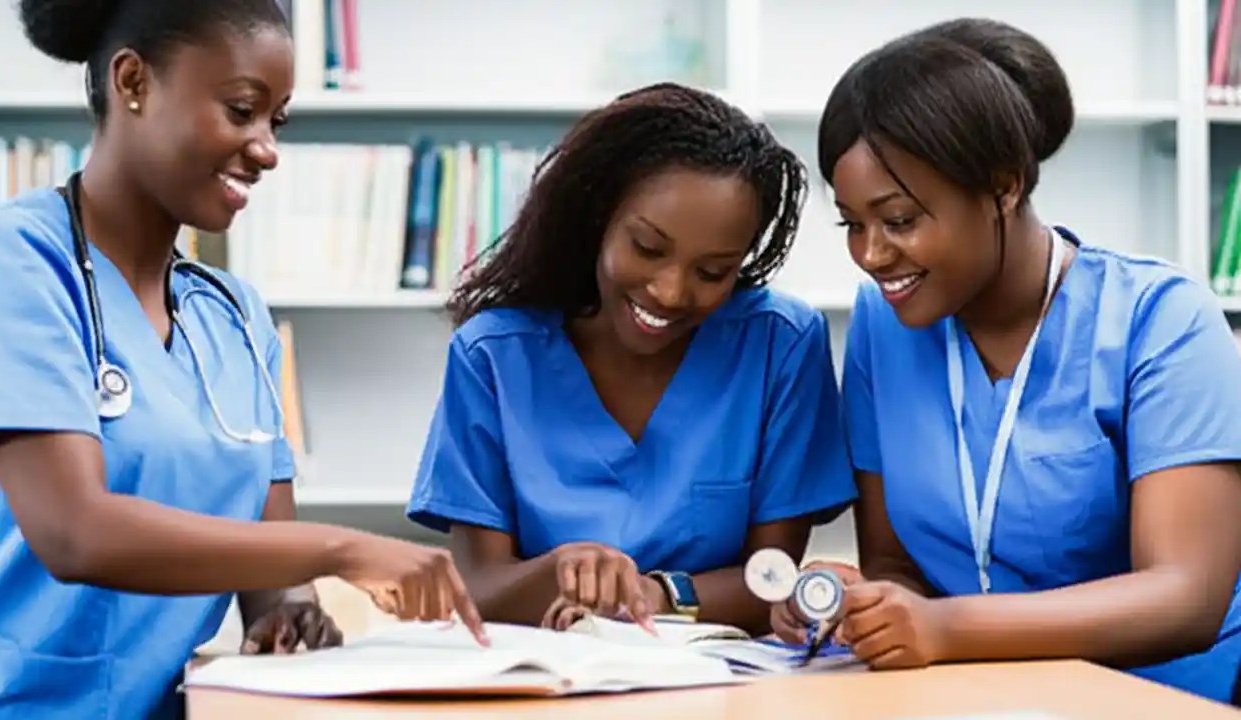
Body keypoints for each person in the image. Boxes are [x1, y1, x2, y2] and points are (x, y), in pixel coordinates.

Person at [0, 2, 485, 717]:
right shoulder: (15, 256)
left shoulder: (234, 315)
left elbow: (272, 567)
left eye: (276, 121)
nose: (267, 150)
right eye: (242, 110)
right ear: (133, 81)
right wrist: (344, 550)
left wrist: (292, 614)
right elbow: (73, 533)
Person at [768, 17, 1241, 703]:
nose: (870, 255)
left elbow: (1185, 598)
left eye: (899, 220)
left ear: (1004, 186)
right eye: (852, 224)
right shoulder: (883, 323)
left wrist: (945, 628)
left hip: (1164, 696)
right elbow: (896, 566)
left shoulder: (1159, 319)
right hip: (975, 696)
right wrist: (861, 605)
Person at [405, 83, 858, 636]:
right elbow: (478, 588)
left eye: (712, 272)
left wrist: (656, 594)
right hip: (551, 671)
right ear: (600, 215)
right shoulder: (492, 356)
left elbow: (772, 577)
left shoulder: (781, 344)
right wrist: (559, 573)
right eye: (646, 248)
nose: (670, 291)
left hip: (725, 672)